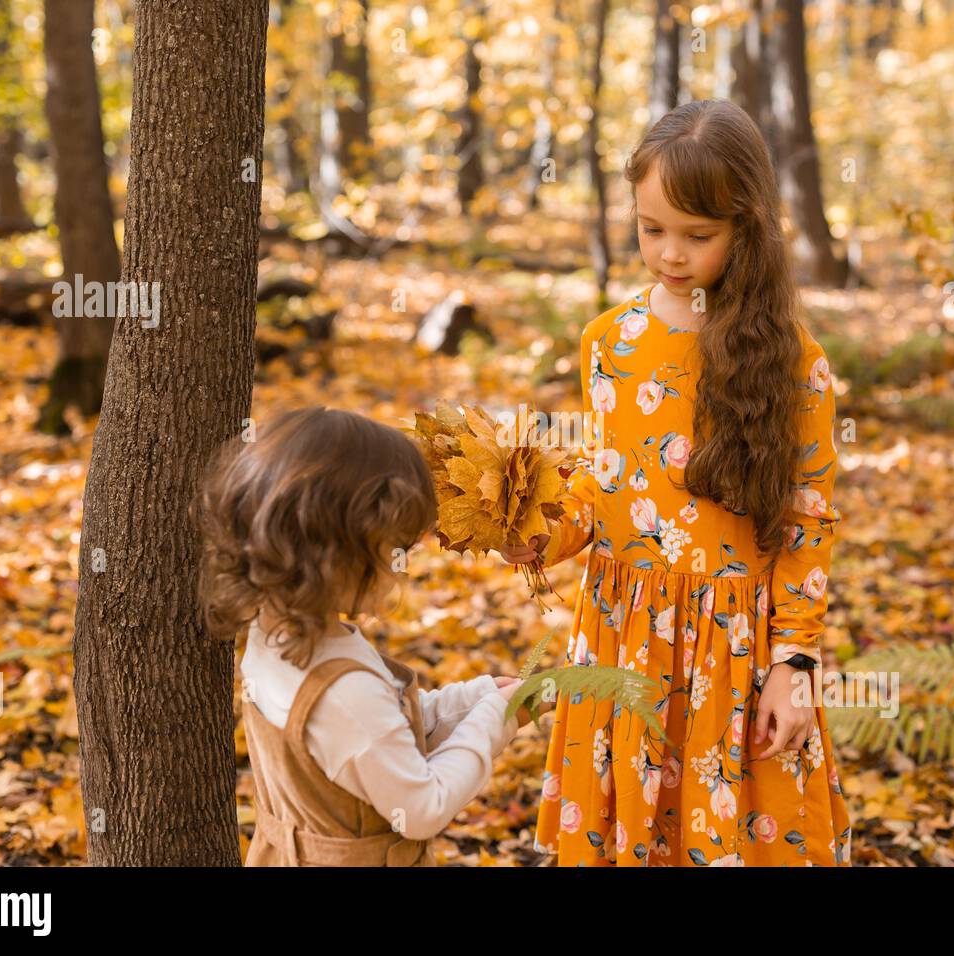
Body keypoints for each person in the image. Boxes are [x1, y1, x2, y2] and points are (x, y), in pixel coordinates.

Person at [501, 99, 852, 866]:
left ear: (746, 227)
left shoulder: (793, 361)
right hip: (623, 639)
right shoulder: (609, 342)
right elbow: (602, 490)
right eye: (650, 227)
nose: (670, 253)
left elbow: (807, 522)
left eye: (698, 235)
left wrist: (794, 663)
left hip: (736, 651)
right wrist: (537, 533)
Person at [198, 407, 531, 866]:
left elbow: (374, 742)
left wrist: (473, 699)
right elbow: (421, 807)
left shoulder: (275, 634)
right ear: (336, 552)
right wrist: (496, 718)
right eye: (394, 548)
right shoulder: (343, 689)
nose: (402, 567)